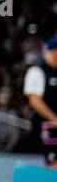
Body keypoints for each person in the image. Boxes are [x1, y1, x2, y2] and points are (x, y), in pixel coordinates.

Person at [20, 35, 57, 166]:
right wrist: (54, 119)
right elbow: (35, 101)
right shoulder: (37, 71)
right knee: (51, 165)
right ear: (53, 51)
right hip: (44, 129)